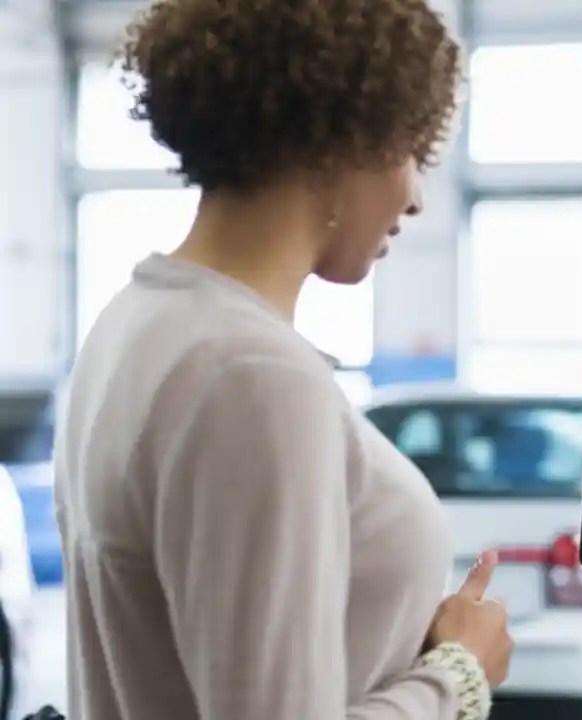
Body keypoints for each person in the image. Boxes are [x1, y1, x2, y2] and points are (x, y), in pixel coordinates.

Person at [52, 1, 513, 718]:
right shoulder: (253, 376)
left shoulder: (134, 322)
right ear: (342, 140)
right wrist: (459, 676)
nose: (415, 199)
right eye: (410, 153)